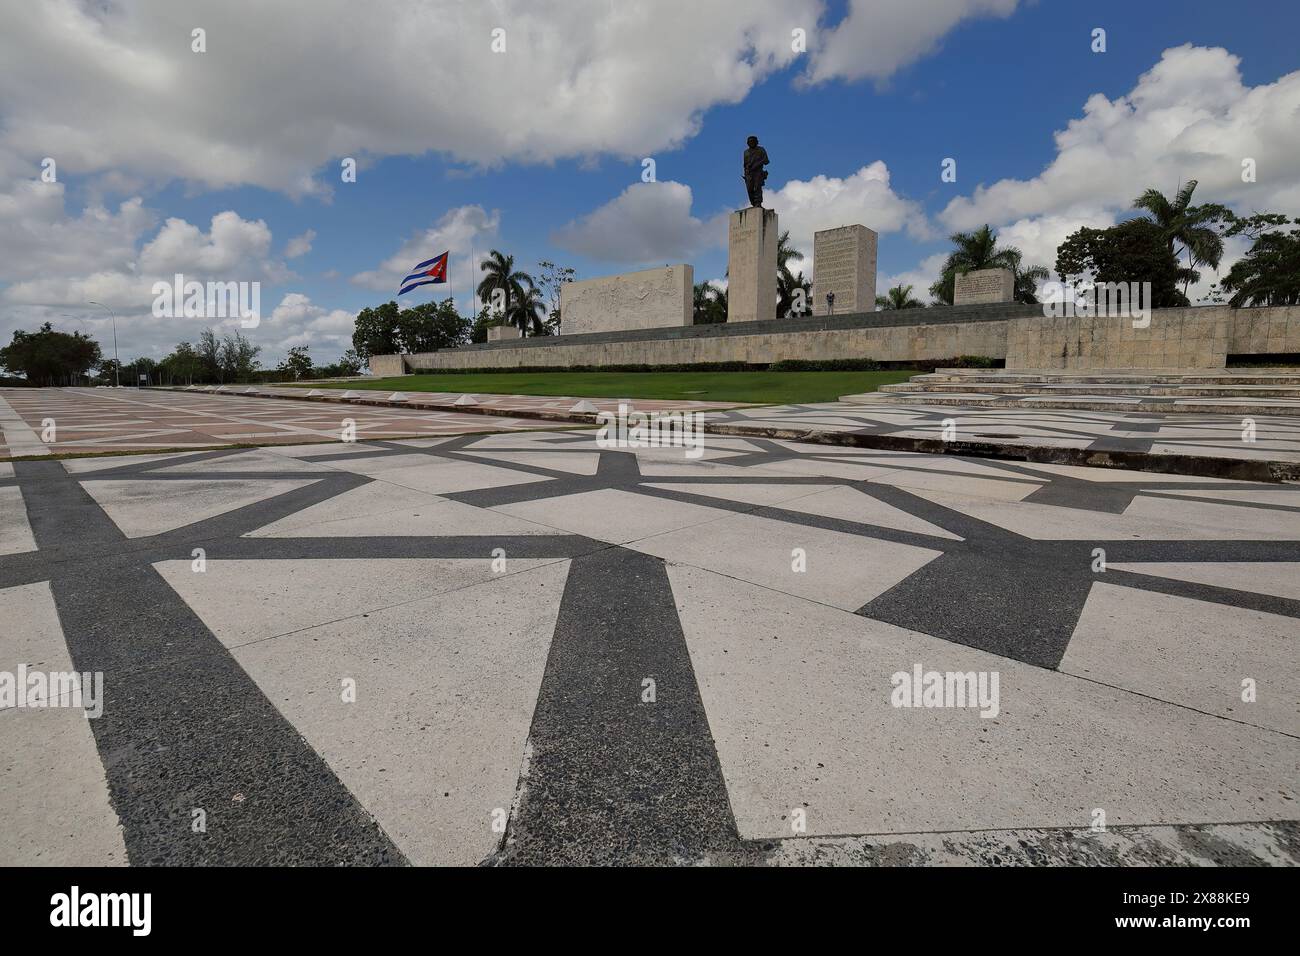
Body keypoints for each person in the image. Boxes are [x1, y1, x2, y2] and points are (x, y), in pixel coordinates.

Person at [743, 135, 769, 208]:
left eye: (753, 141)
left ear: (756, 142)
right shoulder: (746, 152)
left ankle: (758, 202)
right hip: (749, 173)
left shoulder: (761, 150)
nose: (751, 143)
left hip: (758, 172)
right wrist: (746, 173)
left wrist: (757, 164)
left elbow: (766, 160)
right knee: (749, 189)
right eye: (749, 142)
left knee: (757, 187)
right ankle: (753, 203)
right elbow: (745, 164)